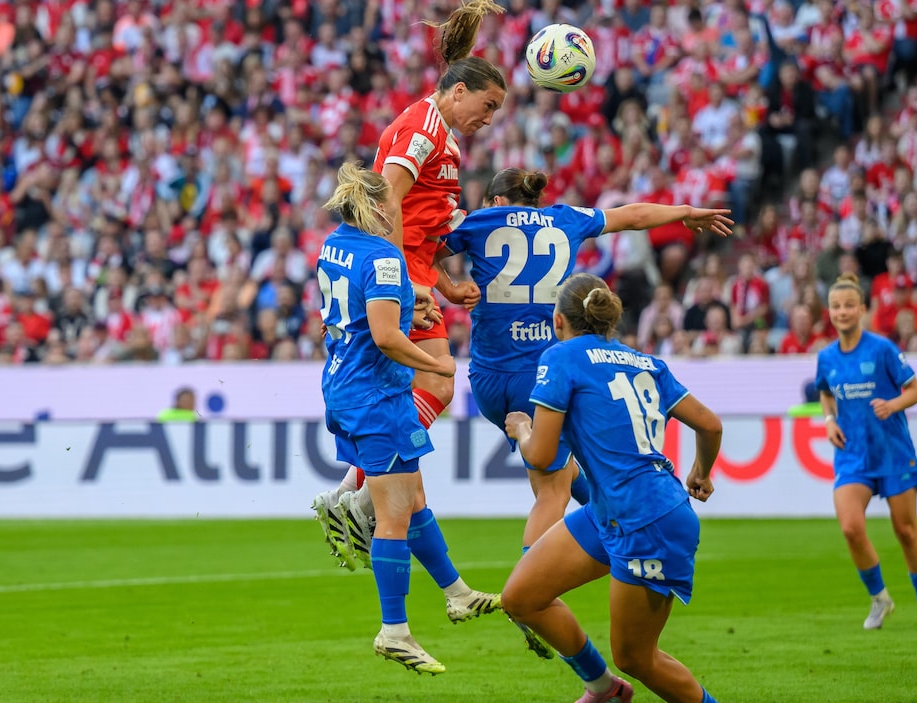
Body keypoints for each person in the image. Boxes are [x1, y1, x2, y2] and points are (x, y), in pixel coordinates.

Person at [442, 167, 733, 553]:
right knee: (552, 489)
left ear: (496, 201)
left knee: (570, 472)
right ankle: (530, 596)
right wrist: (683, 212)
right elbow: (633, 216)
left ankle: (621, 530)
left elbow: (421, 251)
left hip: (487, 378)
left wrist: (449, 289)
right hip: (544, 374)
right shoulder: (564, 218)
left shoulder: (478, 221)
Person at [313, 0, 507, 558]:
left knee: (428, 389)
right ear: (457, 92)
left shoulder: (444, 136)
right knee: (438, 384)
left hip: (413, 271)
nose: (488, 118)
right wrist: (404, 285)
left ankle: (355, 494)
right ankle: (359, 493)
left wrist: (445, 284)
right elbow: (388, 199)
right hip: (394, 273)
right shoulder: (423, 129)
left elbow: (424, 218)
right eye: (487, 106)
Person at [501, 273, 725, 703]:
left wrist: (523, 428)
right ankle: (603, 689)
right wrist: (701, 471)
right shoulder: (646, 362)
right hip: (616, 510)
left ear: (558, 320)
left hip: (646, 520)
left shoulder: (561, 356)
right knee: (522, 598)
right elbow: (710, 424)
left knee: (637, 657)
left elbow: (543, 456)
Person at [316, 163, 501, 675]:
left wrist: (410, 306)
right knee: (393, 516)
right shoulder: (384, 257)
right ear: (381, 207)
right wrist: (437, 363)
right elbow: (385, 338)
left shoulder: (335, 243)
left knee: (412, 498)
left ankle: (457, 593)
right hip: (378, 396)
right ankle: (394, 631)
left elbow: (356, 313)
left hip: (342, 385)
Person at [815, 272, 917, 631]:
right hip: (853, 455)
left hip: (893, 452)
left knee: (906, 531)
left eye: (849, 305)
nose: (842, 312)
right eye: (836, 306)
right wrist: (828, 420)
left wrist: (893, 404)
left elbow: (916, 391)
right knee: (851, 528)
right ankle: (880, 599)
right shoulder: (826, 357)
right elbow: (825, 392)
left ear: (862, 310)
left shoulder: (882, 349)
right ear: (830, 312)